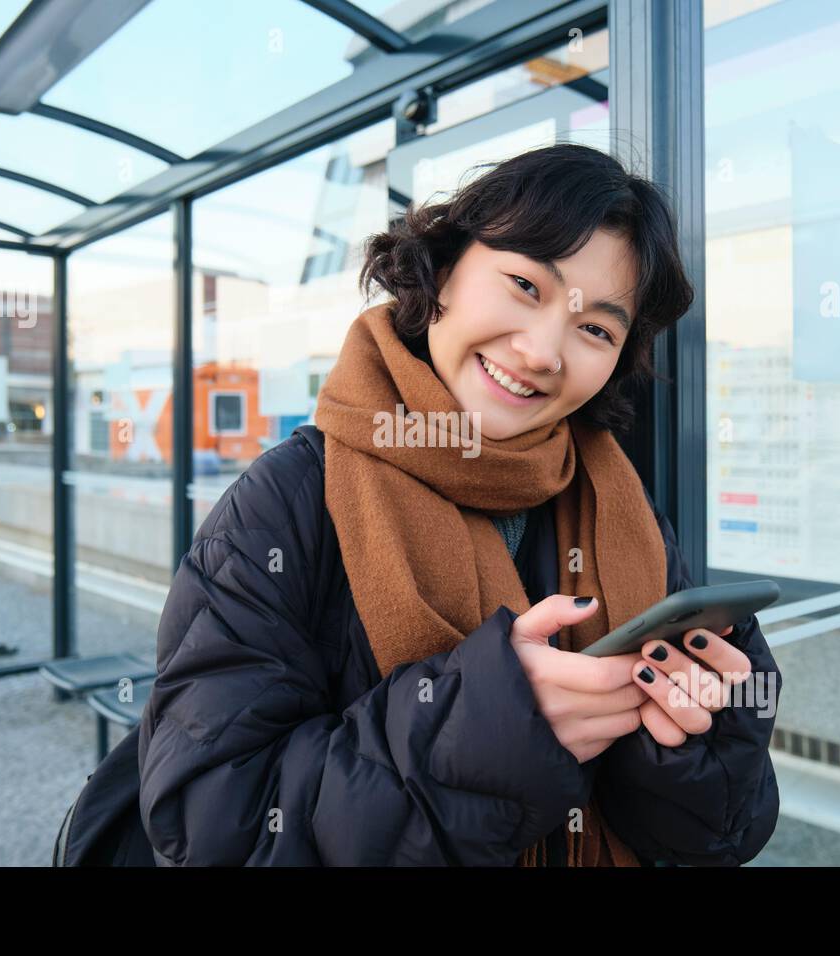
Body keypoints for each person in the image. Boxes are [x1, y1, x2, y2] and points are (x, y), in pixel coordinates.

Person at [136, 142, 782, 866]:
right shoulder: (287, 501)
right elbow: (208, 828)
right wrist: (485, 730)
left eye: (596, 328)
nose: (543, 351)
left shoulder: (620, 508)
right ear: (441, 268)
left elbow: (725, 831)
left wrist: (694, 747)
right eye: (525, 285)